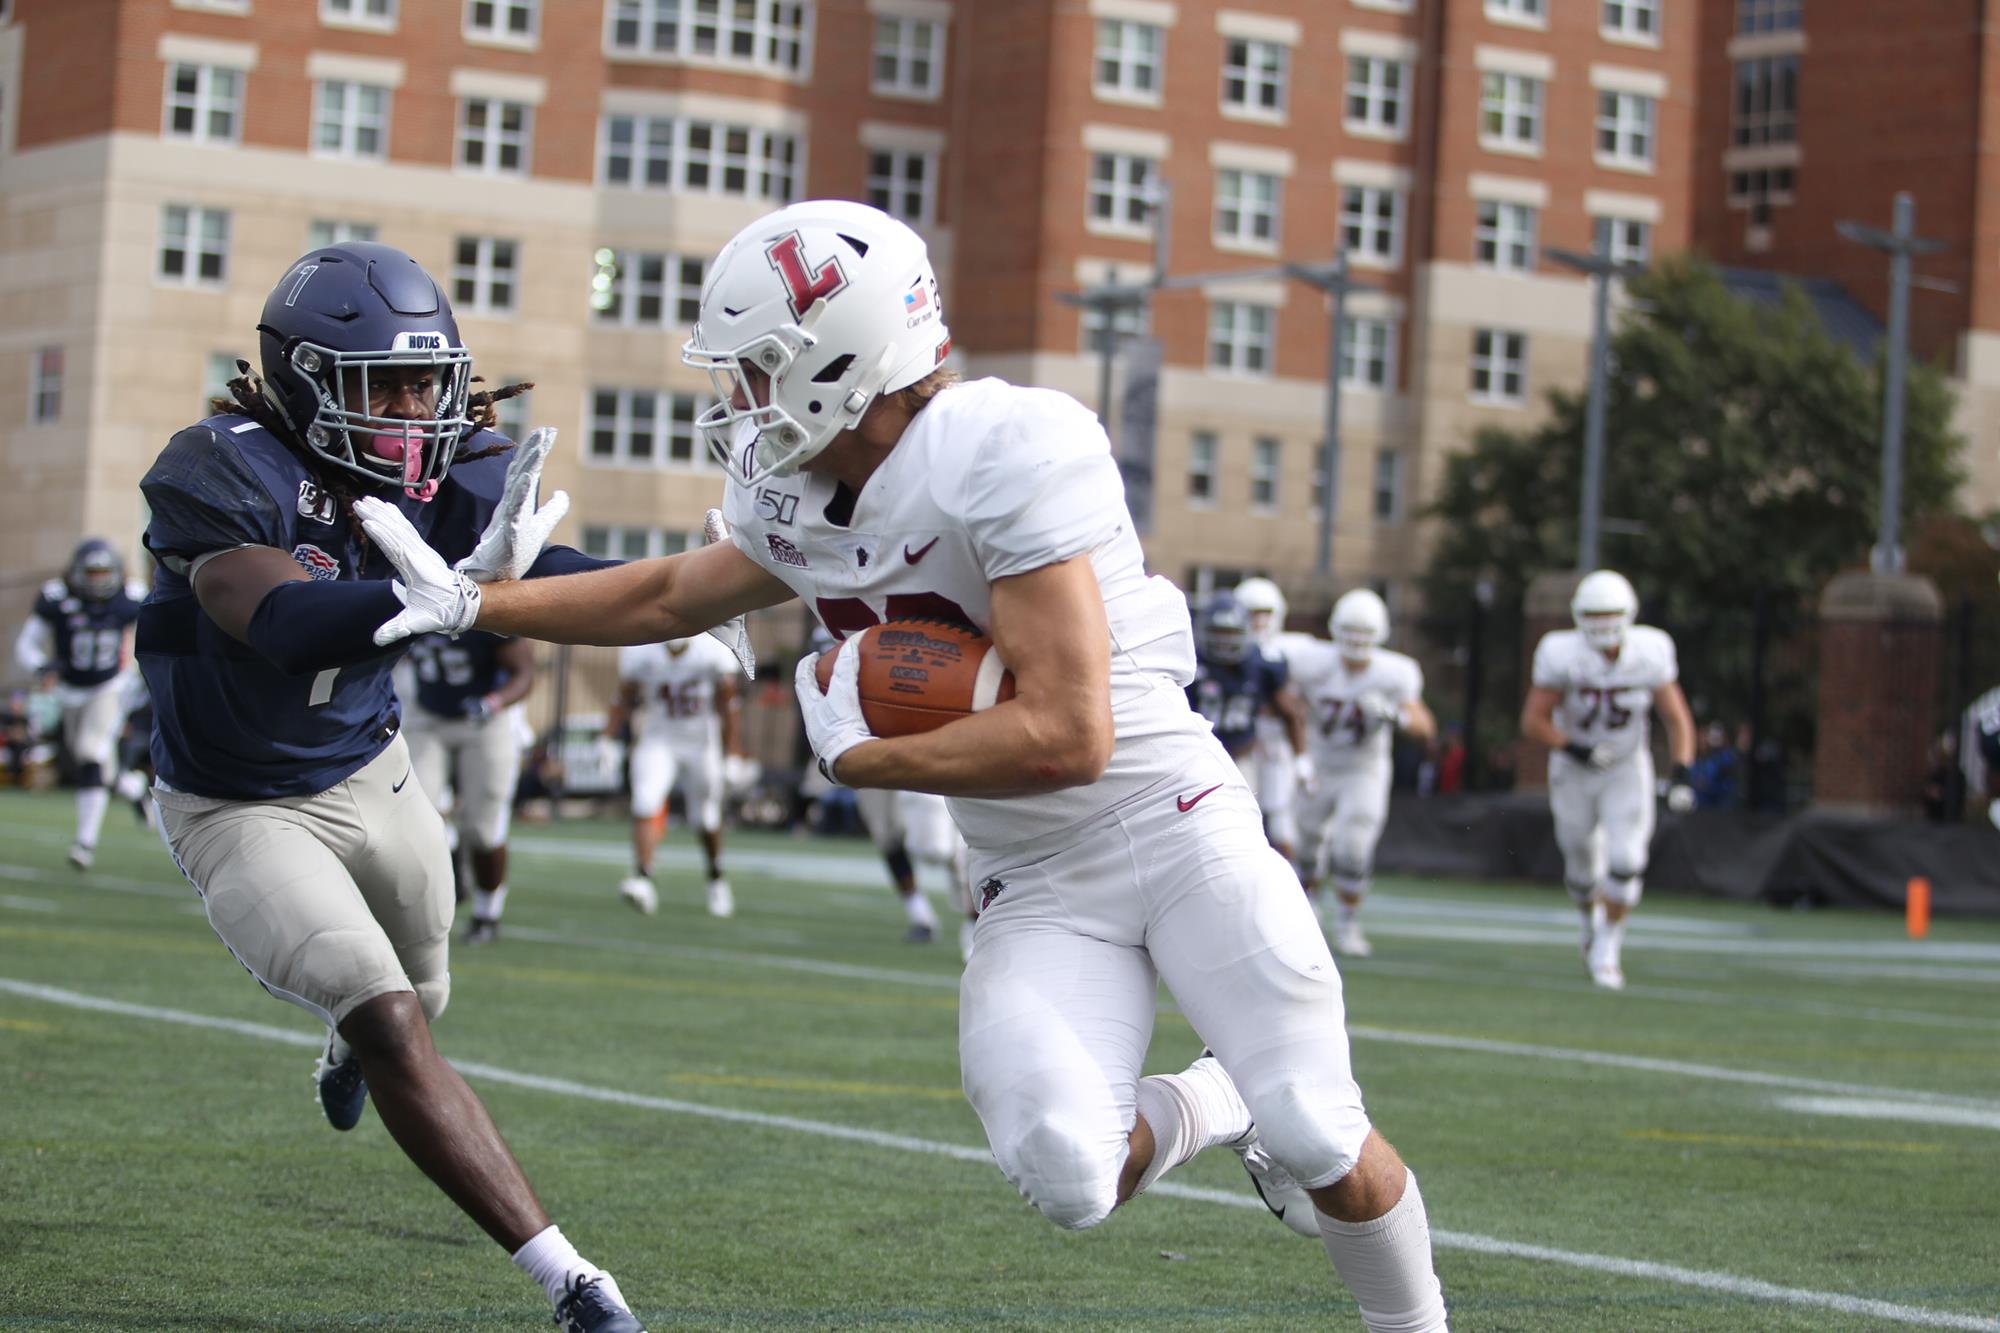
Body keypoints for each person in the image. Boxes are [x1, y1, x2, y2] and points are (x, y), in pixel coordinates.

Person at [358, 201, 1448, 1332]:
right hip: (1030, 875)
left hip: (1167, 818)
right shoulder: (791, 487)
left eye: (757, 370)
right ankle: (1221, 1096)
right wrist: (476, 604)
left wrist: (866, 757)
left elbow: (1072, 732)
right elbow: (673, 591)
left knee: (1319, 1125)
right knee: (1070, 1174)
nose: (737, 400)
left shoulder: (1006, 446)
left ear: (842, 357)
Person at [134, 241, 645, 1332]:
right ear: (301, 377)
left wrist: (682, 596)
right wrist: (458, 590)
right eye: (383, 385)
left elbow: (541, 574)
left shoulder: (453, 457)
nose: (413, 410)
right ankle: (573, 1283)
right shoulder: (220, 466)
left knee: (428, 987)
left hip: (373, 769)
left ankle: (346, 1042)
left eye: (428, 382)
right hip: (238, 804)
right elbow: (274, 618)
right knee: (396, 1020)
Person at [1520, 569, 1696, 991]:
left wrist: (1682, 773)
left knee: (1627, 860)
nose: (1601, 624)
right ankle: (1589, 922)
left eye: (1609, 614)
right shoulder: (1561, 653)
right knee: (1580, 863)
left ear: (1628, 614)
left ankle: (1608, 946)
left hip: (1625, 766)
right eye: (1593, 615)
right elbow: (1533, 720)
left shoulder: (1649, 651)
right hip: (1574, 767)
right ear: (1579, 616)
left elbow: (1676, 718)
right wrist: (1575, 747)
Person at [1289, 590, 1436, 958]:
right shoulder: (1310, 662)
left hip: (1363, 767)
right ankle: (1307, 910)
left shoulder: (1395, 672)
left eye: (1364, 633)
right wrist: (1298, 752)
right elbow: (1288, 704)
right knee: (1305, 845)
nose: (1356, 642)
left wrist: (1395, 715)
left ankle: (1347, 921)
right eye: (1350, 632)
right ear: (1336, 630)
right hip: (1320, 760)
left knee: (1353, 848)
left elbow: (1425, 726)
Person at [13, 538, 146, 868]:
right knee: (97, 763)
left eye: (104, 572)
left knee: (90, 753)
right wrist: (41, 667)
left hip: (109, 686)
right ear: (76, 572)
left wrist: (142, 680)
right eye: (92, 572)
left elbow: (154, 638)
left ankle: (84, 844)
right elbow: (26, 644)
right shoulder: (57, 597)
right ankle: (133, 787)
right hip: (68, 691)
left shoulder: (131, 598)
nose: (99, 579)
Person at [402, 630, 537, 944]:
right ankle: (448, 868)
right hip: (427, 716)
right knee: (415, 817)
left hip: (486, 719)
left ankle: (487, 912)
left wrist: (495, 701)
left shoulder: (484, 608)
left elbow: (524, 672)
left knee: (484, 830)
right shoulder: (404, 594)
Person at [607, 633, 745, 918]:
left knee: (705, 818)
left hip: (700, 743)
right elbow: (624, 696)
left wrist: (732, 753)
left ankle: (716, 877)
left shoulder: (713, 650)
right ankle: (643, 877)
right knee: (644, 802)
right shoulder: (642, 650)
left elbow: (728, 706)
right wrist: (606, 738)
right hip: (659, 739)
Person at [1186, 588, 1308, 821]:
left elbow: (1289, 713)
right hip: (1195, 757)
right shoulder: (1191, 662)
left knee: (1245, 820)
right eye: (1218, 633)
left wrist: (1302, 759)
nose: (1224, 642)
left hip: (1241, 758)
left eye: (1230, 633)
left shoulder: (1261, 664)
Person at [1230, 577, 1316, 866]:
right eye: (1252, 613)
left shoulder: (1293, 651)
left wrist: (1302, 755)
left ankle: (1294, 892)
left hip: (1277, 743)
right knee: (1239, 817)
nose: (1259, 621)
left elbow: (1301, 705)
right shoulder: (1226, 648)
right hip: (1239, 743)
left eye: (1265, 613)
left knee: (1279, 823)